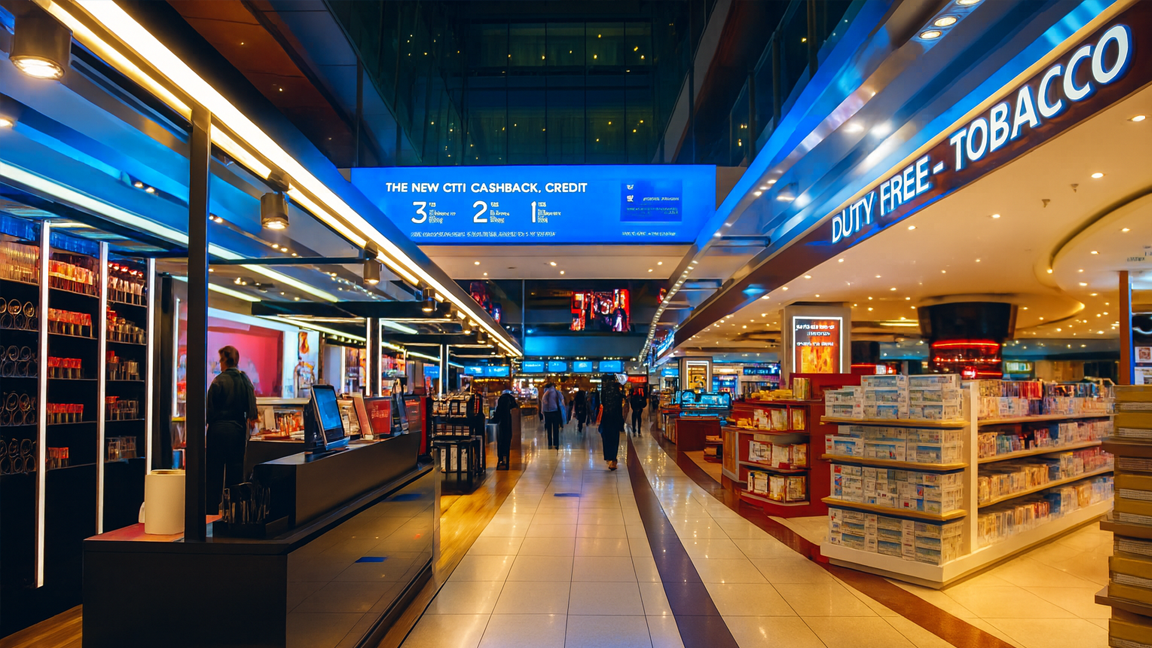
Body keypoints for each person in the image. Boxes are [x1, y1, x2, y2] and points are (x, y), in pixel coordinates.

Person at [206, 345, 258, 514]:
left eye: (220, 359)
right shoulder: (245, 380)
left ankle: (211, 510)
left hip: (217, 431)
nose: (219, 363)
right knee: (235, 472)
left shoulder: (217, 381)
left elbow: (209, 411)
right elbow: (252, 411)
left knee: (214, 472)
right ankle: (232, 510)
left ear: (225, 360)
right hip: (237, 432)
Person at [597, 375, 625, 470]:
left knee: (606, 438)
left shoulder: (604, 391)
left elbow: (602, 404)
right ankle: (613, 459)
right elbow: (620, 406)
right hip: (615, 417)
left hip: (606, 417)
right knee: (614, 438)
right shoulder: (618, 390)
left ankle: (609, 458)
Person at [493, 389, 519, 470]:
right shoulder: (511, 406)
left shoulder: (501, 402)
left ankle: (500, 460)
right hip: (508, 427)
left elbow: (496, 417)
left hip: (501, 427)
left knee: (500, 443)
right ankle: (506, 460)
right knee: (507, 443)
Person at [539, 381, 563, 449]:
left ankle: (550, 444)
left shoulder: (546, 392)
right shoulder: (556, 391)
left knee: (549, 429)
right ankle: (556, 443)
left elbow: (543, 401)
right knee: (556, 428)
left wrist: (542, 411)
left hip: (547, 412)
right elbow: (561, 399)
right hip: (555, 411)